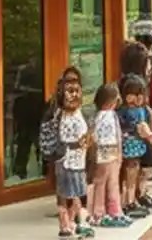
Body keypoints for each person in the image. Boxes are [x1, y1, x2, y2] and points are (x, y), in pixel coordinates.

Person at [53, 80, 93, 238]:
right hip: (71, 162)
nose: (74, 95)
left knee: (66, 195)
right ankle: (77, 223)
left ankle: (67, 223)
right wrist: (86, 140)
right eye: (70, 92)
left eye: (76, 92)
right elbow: (77, 140)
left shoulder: (63, 115)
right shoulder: (71, 117)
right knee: (76, 195)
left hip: (68, 161)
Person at [90, 83, 131, 228]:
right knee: (107, 181)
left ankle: (106, 212)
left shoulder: (101, 116)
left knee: (105, 182)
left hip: (106, 150)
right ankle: (106, 212)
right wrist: (119, 153)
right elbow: (114, 136)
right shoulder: (107, 116)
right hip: (109, 150)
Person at [117, 76, 152, 219]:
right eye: (131, 93)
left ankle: (131, 200)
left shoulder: (142, 110)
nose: (135, 97)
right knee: (128, 176)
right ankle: (128, 202)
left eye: (139, 94)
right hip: (129, 146)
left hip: (138, 146)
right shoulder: (124, 111)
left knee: (134, 176)